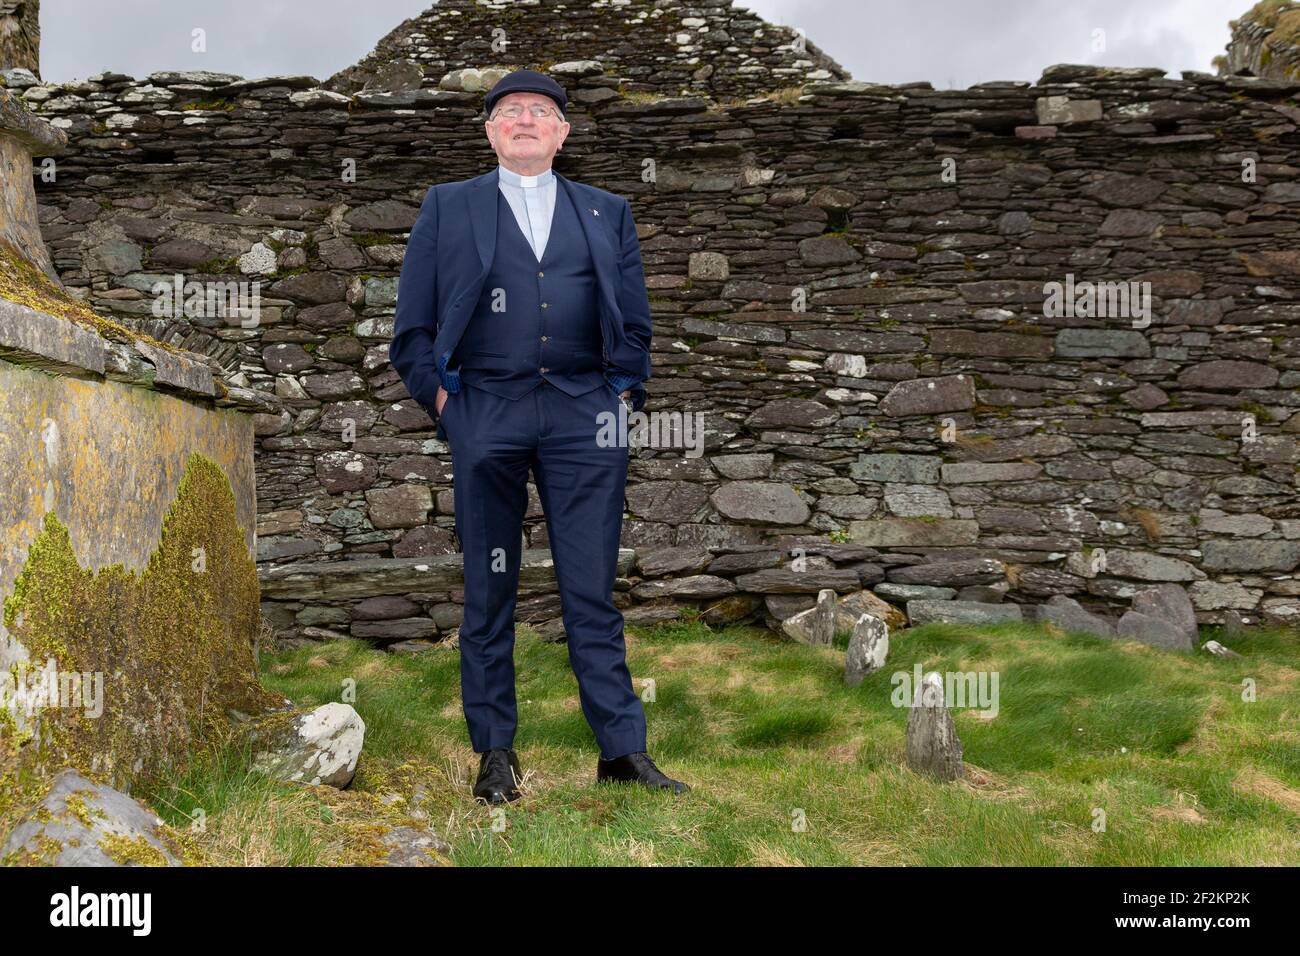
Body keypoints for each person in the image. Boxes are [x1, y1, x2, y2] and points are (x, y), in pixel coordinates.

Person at [390, 68, 689, 804]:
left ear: (563, 132)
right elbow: (414, 327)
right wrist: (446, 402)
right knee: (489, 589)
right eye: (509, 110)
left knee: (591, 588)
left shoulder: (607, 211)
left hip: (585, 413)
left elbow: (637, 321)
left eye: (541, 111)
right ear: (490, 130)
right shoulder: (447, 206)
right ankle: (495, 752)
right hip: (485, 408)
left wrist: (621, 390)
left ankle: (621, 750)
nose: (525, 119)